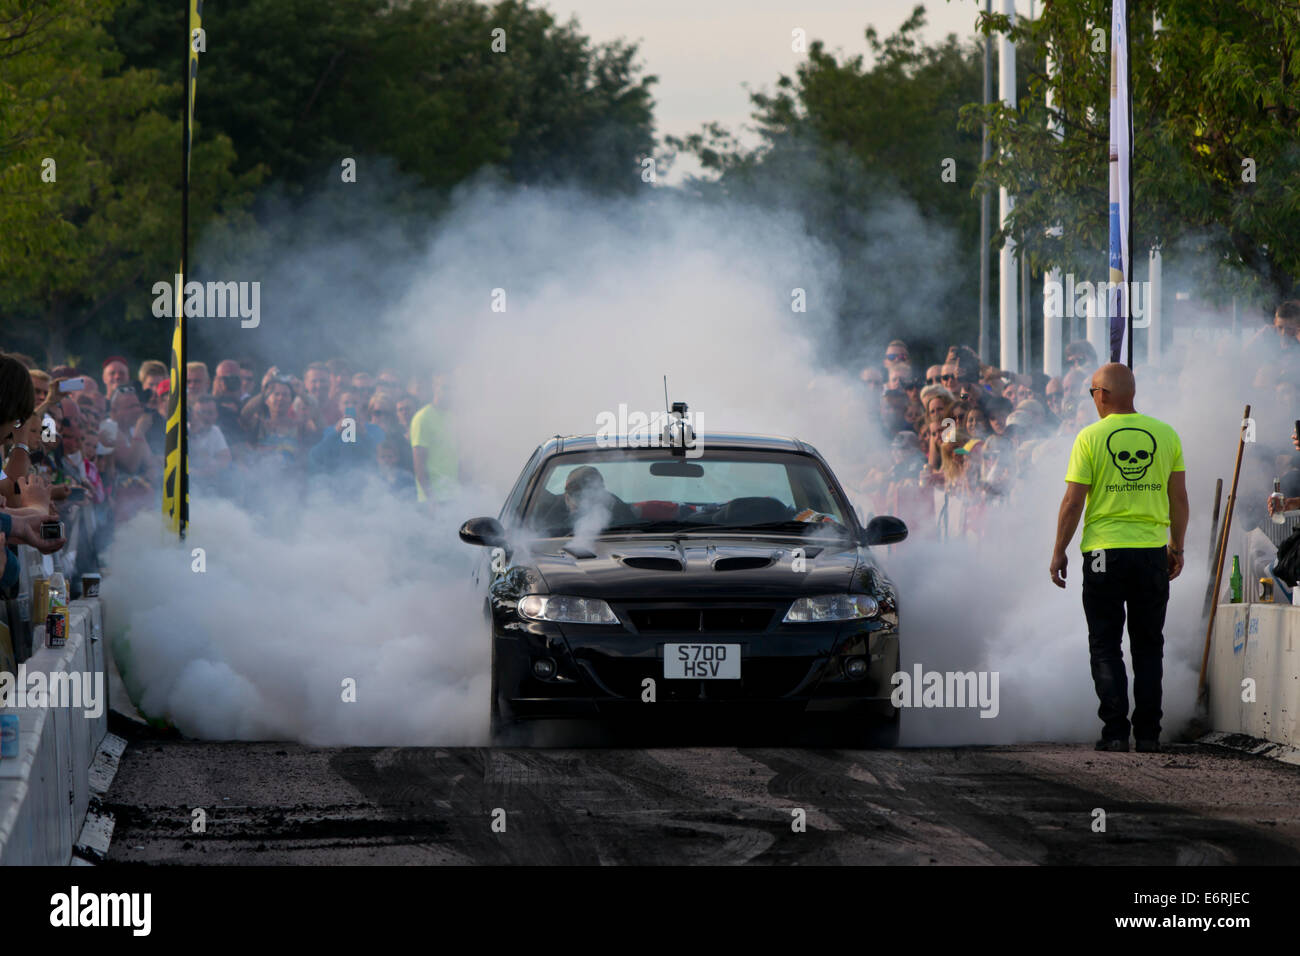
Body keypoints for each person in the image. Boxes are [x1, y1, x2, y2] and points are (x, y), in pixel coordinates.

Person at [1050, 363, 1188, 754]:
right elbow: (1178, 498)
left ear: (1104, 394)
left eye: (1091, 392)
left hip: (1101, 554)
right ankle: (1148, 735)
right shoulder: (1166, 433)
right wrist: (1176, 545)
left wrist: (1059, 549)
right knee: (1148, 645)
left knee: (1105, 644)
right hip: (1149, 551)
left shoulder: (1090, 437)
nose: (1092, 399)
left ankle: (1114, 732)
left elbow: (1073, 501)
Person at [410, 372, 460, 506]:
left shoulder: (454, 417)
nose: (449, 392)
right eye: (445, 387)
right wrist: (430, 499)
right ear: (435, 388)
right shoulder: (423, 417)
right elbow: (418, 463)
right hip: (434, 498)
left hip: (454, 494)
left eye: (452, 388)